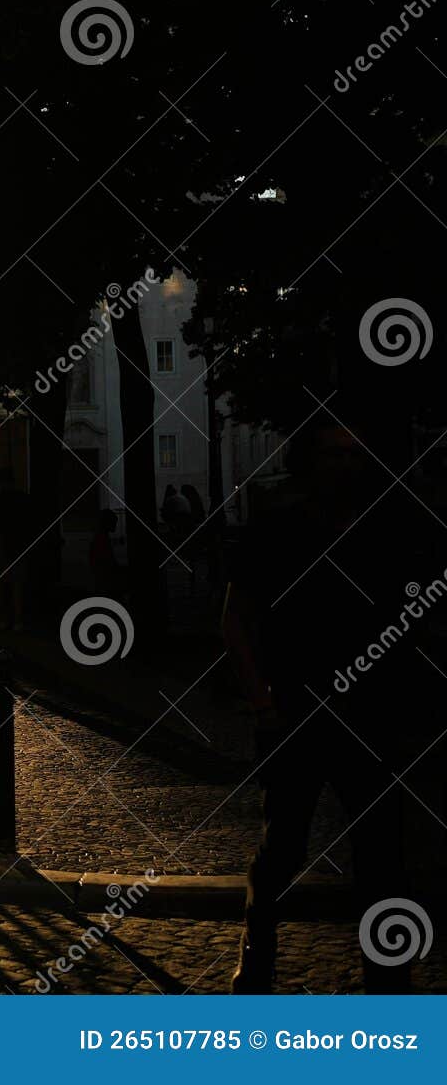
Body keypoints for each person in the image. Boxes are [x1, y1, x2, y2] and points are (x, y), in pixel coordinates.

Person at [221, 416, 432, 994]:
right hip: (295, 714)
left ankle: (388, 982)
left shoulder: (386, 530)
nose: (345, 465)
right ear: (309, 460)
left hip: (371, 718)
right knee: (282, 849)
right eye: (334, 454)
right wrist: (263, 703)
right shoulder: (276, 527)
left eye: (355, 454)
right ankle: (256, 958)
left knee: (382, 857)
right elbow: (236, 617)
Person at [0, 467, 31, 631]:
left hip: (1, 546)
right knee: (17, 585)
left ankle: (2, 617)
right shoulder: (23, 498)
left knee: (0, 584)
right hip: (19, 545)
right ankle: (18, 619)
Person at [88, 508, 121, 598]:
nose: (115, 525)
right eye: (114, 522)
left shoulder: (100, 537)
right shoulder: (102, 539)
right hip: (105, 583)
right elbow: (107, 562)